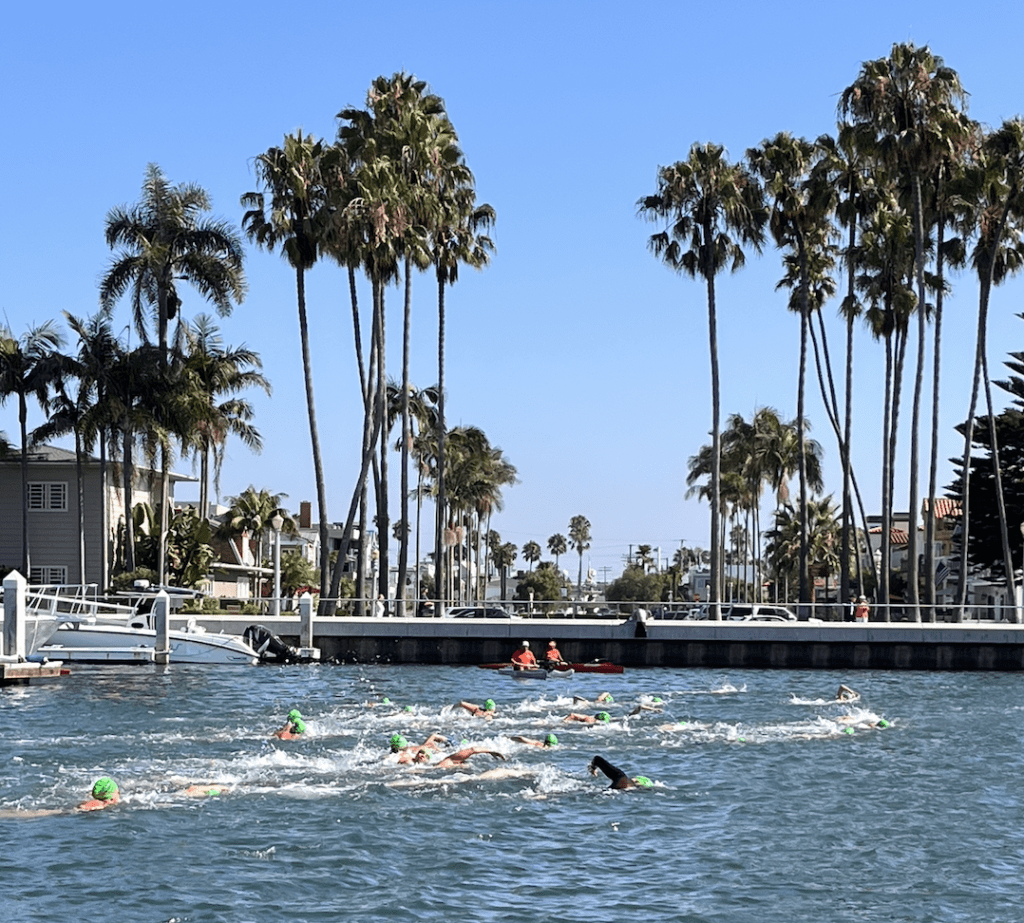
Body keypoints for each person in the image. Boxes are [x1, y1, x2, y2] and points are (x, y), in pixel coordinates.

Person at [587, 756, 653, 790]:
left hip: (621, 779)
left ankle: (592, 769)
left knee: (597, 759)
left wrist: (592, 768)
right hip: (622, 789)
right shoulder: (631, 788)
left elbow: (597, 759)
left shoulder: (625, 779)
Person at [411, 746, 507, 769]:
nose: (421, 755)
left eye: (424, 754)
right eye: (420, 753)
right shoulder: (412, 765)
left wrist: (491, 751)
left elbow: (472, 749)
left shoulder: (448, 760)